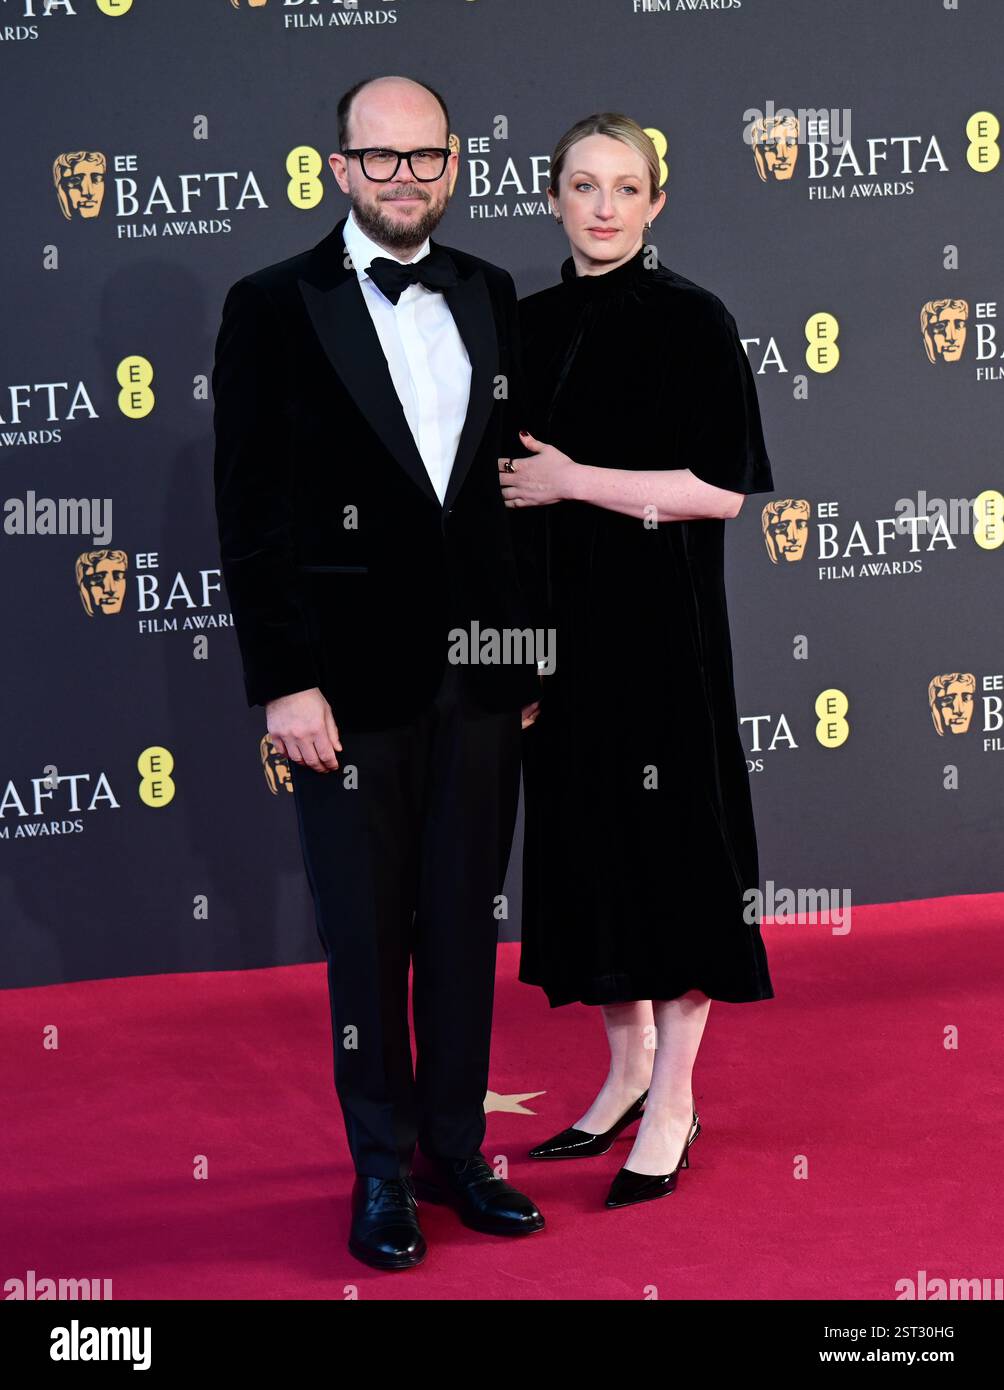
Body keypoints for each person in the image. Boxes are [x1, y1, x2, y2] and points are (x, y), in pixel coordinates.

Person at [212, 74, 545, 1270]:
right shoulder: (271, 304)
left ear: (452, 166)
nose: (404, 177)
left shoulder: (493, 293)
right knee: (366, 938)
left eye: (426, 157)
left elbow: (511, 499)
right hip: (345, 691)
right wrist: (285, 681)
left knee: (462, 925)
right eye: (380, 158)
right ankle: (378, 1172)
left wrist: (524, 652)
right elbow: (248, 512)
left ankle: (456, 1151)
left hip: (480, 680)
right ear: (339, 169)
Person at [500, 113, 776, 1210]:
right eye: (583, 185)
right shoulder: (517, 327)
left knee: (674, 860)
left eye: (625, 187)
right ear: (554, 197)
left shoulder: (692, 321)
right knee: (588, 856)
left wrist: (578, 479)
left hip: (664, 643)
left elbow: (718, 491)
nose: (603, 206)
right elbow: (498, 510)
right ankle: (620, 1075)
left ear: (656, 201)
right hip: (560, 650)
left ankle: (673, 1098)